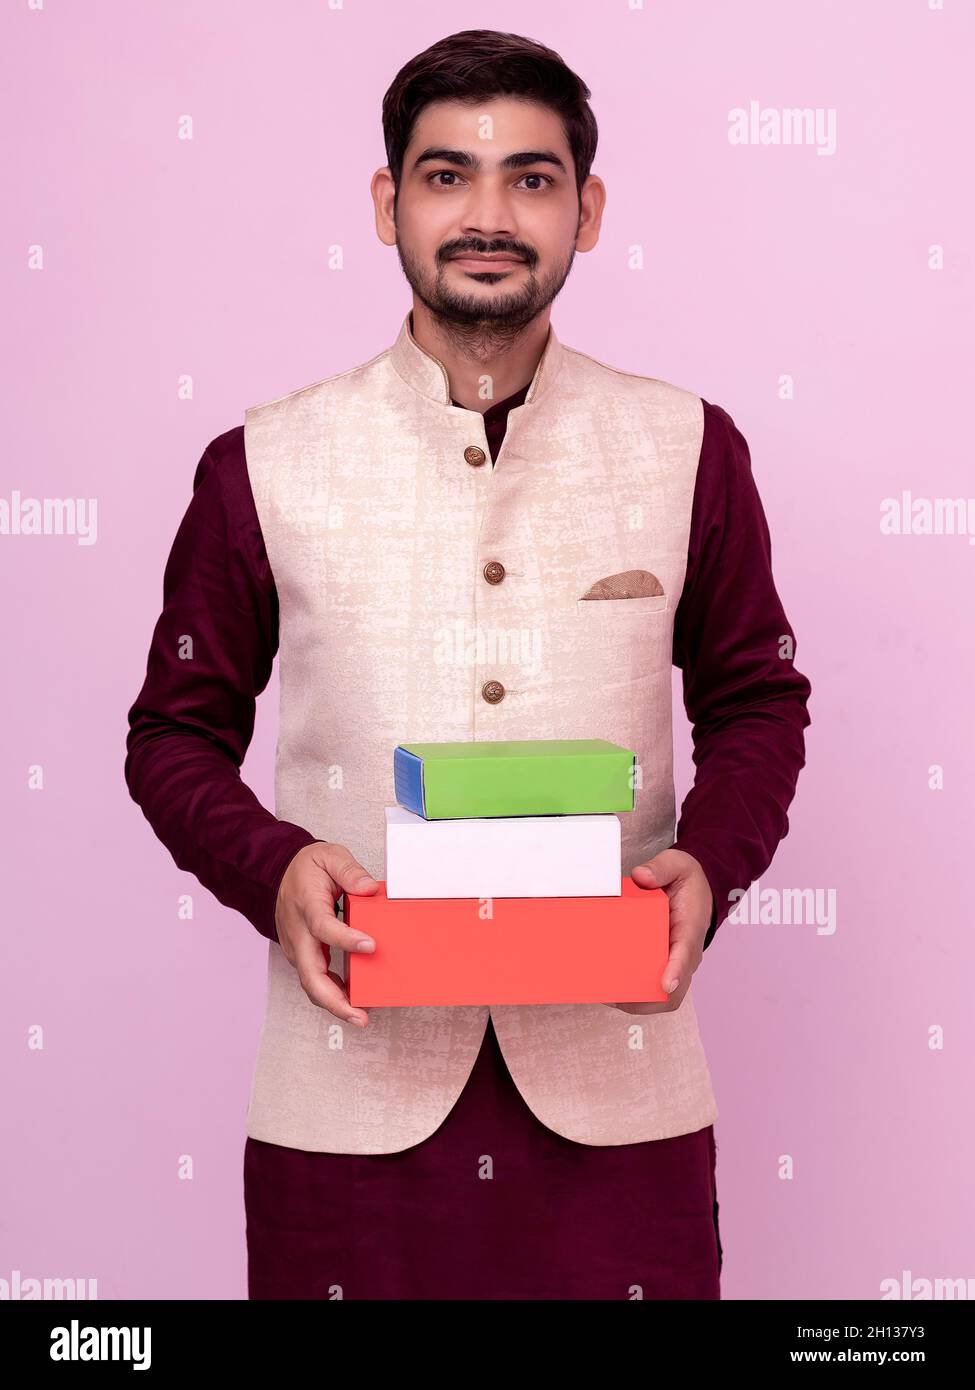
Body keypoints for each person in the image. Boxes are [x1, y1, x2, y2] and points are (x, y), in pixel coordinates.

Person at [125, 29, 811, 1300]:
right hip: (347, 1105)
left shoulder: (686, 446)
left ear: (587, 211)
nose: (488, 215)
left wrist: (710, 867)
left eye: (532, 179)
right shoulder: (264, 463)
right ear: (389, 202)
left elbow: (757, 697)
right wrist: (273, 869)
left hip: (625, 1096)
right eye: (447, 176)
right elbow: (170, 734)